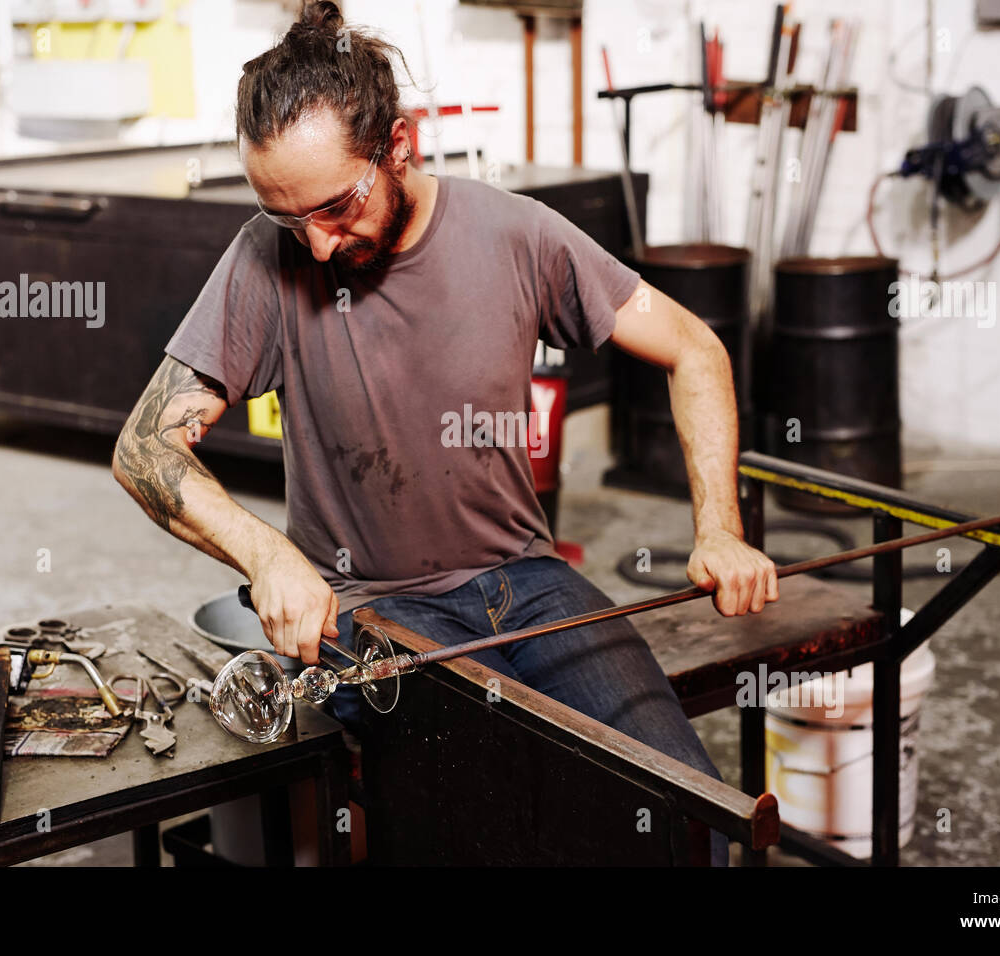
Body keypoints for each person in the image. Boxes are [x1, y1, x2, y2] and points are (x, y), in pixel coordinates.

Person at [112, 1, 777, 866]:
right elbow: (144, 447)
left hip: (528, 586)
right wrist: (268, 554)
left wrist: (719, 530)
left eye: (336, 206)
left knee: (677, 816)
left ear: (400, 145)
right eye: (287, 218)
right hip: (373, 610)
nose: (314, 246)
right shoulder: (264, 258)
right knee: (483, 818)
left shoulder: (518, 234)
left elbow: (695, 348)